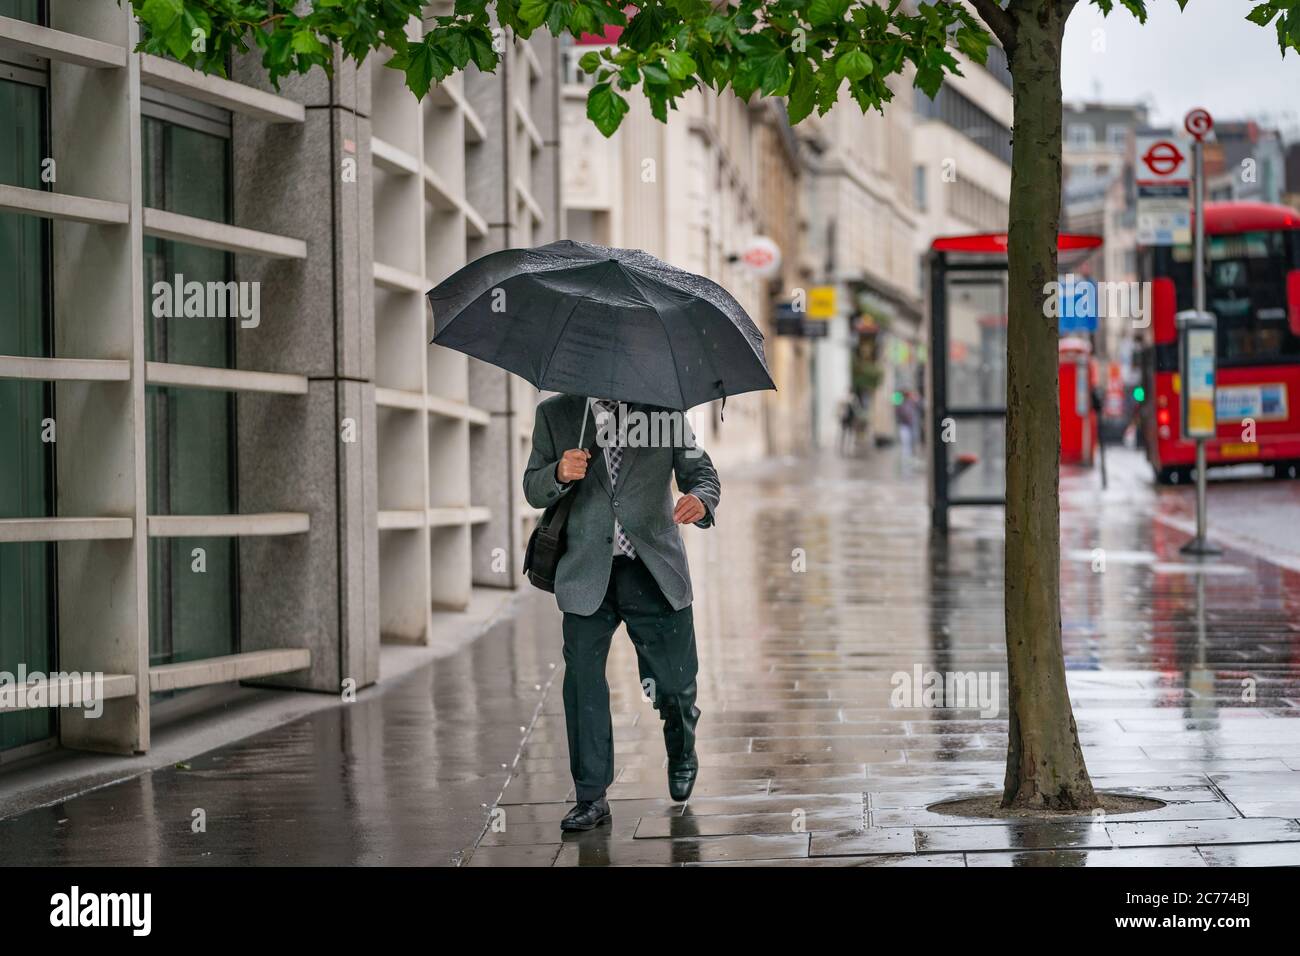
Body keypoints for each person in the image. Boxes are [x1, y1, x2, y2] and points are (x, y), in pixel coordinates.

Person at [522, 395, 721, 832]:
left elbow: (703, 474)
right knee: (582, 684)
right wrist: (558, 472)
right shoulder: (556, 415)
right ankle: (591, 796)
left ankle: (681, 743)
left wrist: (701, 500)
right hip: (586, 574)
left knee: (673, 683)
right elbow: (532, 487)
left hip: (652, 569)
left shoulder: (664, 414)